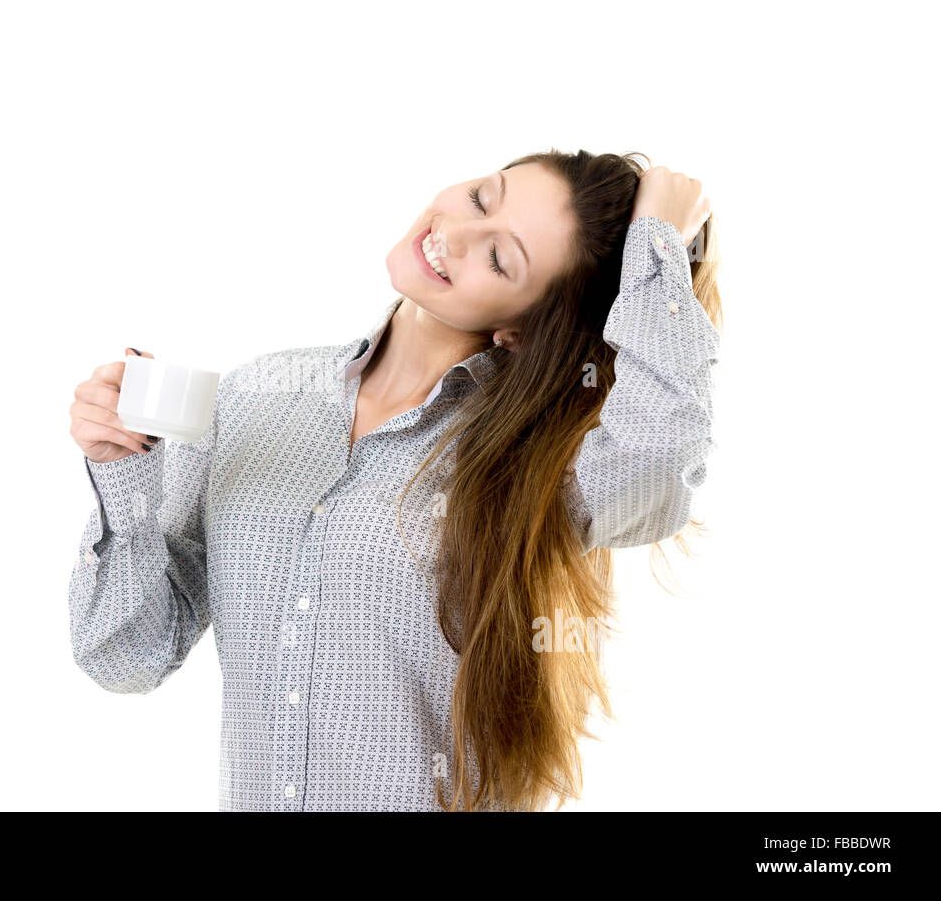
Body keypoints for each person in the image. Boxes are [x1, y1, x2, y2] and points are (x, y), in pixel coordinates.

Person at [67, 148, 722, 811]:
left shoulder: (544, 464)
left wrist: (656, 246)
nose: (455, 235)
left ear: (520, 331)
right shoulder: (255, 394)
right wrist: (121, 470)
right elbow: (129, 657)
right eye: (479, 198)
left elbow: (659, 459)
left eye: (500, 258)